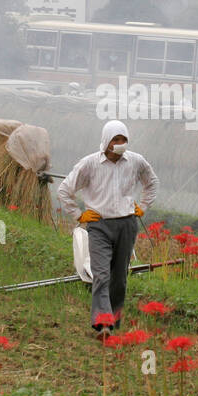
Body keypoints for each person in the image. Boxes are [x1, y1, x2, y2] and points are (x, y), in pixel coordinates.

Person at [57, 120, 159, 335]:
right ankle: (103, 323)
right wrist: (79, 214)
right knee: (101, 274)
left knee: (119, 277)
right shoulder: (90, 164)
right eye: (116, 139)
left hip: (127, 224)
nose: (120, 143)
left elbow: (152, 182)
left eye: (124, 139)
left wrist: (143, 206)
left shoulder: (135, 161)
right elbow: (65, 190)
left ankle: (114, 320)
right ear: (106, 141)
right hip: (99, 225)